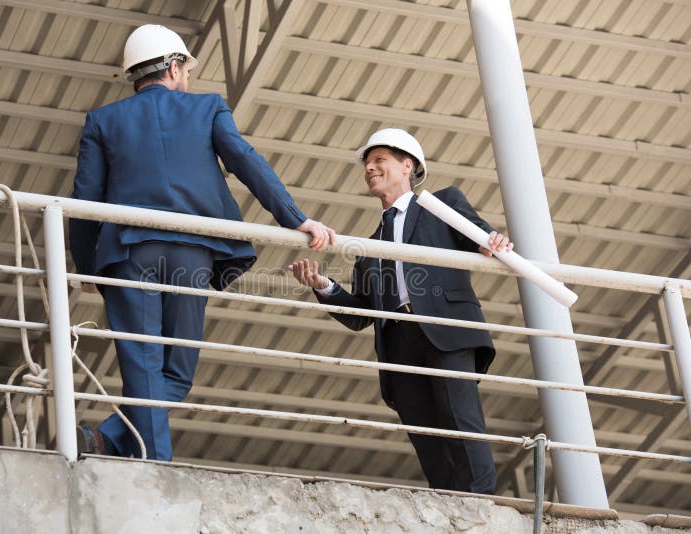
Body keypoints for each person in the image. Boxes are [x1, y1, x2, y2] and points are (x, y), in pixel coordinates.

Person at [69, 24, 335, 461]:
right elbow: (248, 163)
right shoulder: (208, 109)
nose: (187, 80)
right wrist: (297, 219)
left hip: (129, 253)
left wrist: (86, 266)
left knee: (145, 366)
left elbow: (85, 199)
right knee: (176, 371)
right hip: (192, 253)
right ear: (174, 67)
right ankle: (151, 464)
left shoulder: (103, 120)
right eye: (186, 70)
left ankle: (113, 440)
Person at [288, 128, 512, 494]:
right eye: (368, 163)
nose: (370, 168)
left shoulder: (443, 204)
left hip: (445, 330)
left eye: (380, 160)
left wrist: (493, 241)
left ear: (408, 166)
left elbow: (484, 239)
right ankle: (447, 505)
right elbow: (361, 314)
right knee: (425, 434)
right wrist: (323, 286)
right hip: (398, 343)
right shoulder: (369, 247)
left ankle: (481, 505)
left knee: (460, 421)